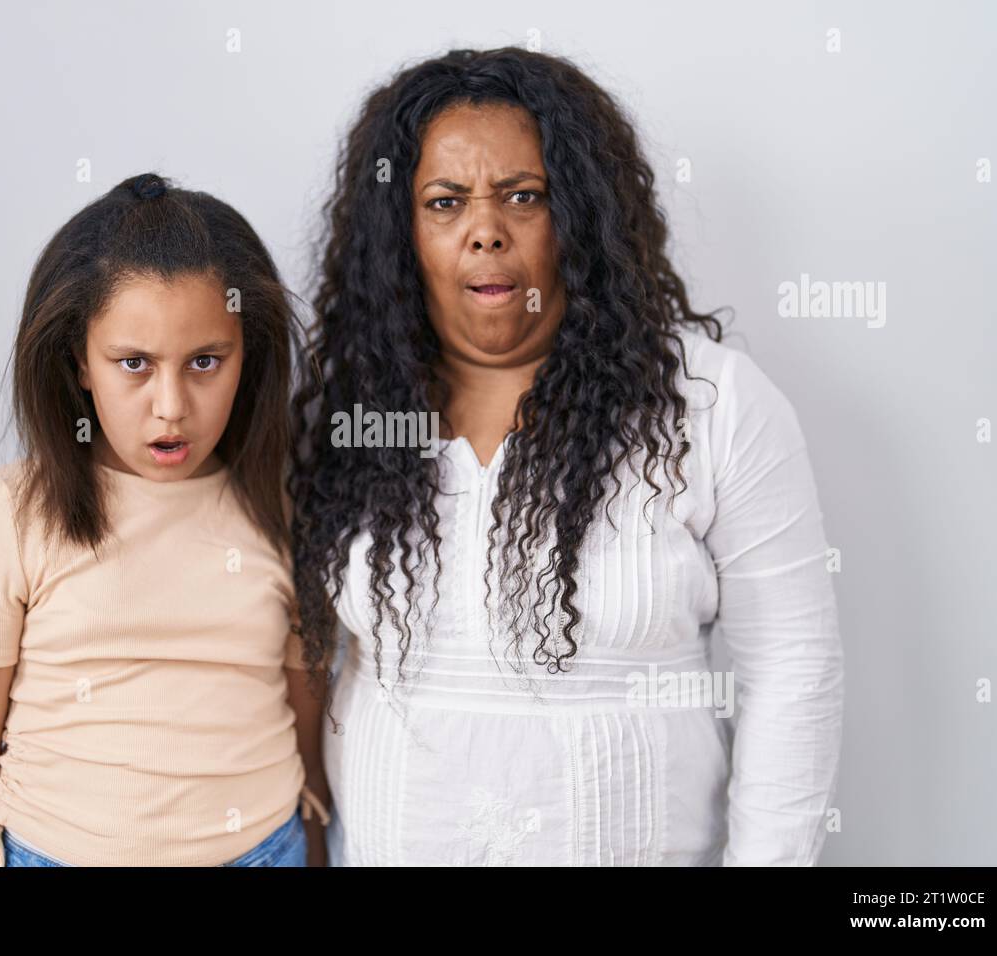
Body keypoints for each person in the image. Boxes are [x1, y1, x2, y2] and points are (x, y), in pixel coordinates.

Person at [289, 48, 843, 866]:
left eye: (524, 196)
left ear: (579, 216)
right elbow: (292, 660)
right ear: (400, 234)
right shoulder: (351, 416)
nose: (486, 230)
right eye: (445, 203)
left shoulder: (710, 402)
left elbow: (794, 666)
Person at [0, 172, 331, 867]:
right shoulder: (9, 519)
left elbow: (310, 766)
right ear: (79, 359)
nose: (170, 405)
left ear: (245, 354)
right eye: (133, 363)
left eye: (204, 361)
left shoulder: (283, 516)